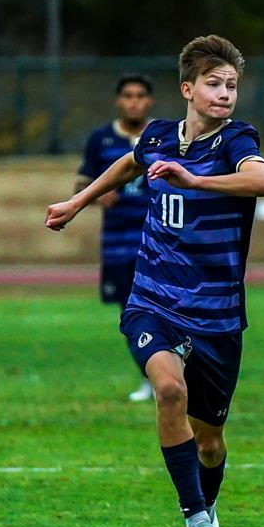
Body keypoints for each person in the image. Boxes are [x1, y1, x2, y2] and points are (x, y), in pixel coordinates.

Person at [46, 36, 264, 527]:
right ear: (187, 89)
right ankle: (197, 521)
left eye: (233, 86)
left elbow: (263, 180)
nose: (225, 94)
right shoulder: (157, 136)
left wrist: (195, 179)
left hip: (218, 310)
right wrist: (77, 203)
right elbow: (130, 163)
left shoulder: (236, 140)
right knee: (168, 388)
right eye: (215, 84)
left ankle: (208, 503)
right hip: (154, 296)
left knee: (211, 442)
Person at [77, 74, 156, 401]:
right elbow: (81, 185)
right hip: (117, 243)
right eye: (127, 95)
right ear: (118, 101)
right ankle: (149, 378)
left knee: (167, 310)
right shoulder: (101, 139)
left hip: (158, 242)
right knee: (130, 313)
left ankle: (174, 374)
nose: (134, 101)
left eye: (140, 95)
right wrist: (96, 195)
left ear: (149, 100)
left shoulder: (162, 136)